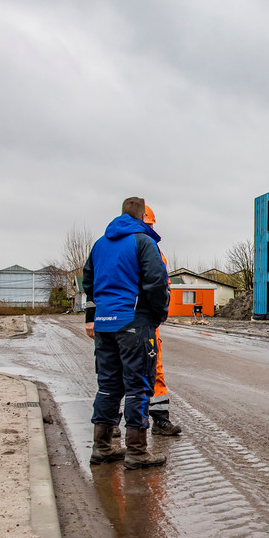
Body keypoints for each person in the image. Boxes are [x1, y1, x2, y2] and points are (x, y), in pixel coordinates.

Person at [83, 196, 171, 469]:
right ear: (143, 217)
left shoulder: (99, 245)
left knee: (108, 386)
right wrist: (157, 315)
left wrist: (94, 317)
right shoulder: (143, 242)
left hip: (104, 324)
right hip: (133, 321)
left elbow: (88, 284)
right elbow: (157, 282)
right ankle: (137, 451)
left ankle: (103, 447)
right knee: (138, 386)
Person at [140, 205, 183, 438]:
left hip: (148, 319)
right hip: (138, 317)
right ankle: (114, 425)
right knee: (122, 372)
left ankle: (159, 419)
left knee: (155, 370)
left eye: (151, 225)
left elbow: (161, 284)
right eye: (149, 224)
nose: (150, 228)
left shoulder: (156, 250)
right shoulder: (137, 247)